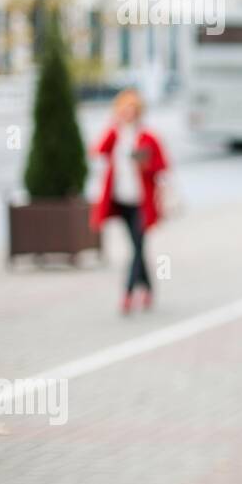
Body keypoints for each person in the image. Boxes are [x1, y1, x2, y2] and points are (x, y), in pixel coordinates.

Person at [89, 88, 169, 314]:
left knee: (137, 247)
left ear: (138, 112)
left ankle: (127, 293)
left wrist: (144, 163)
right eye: (124, 109)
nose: (127, 114)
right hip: (121, 199)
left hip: (142, 202)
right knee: (136, 246)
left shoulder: (147, 137)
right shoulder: (115, 135)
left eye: (132, 110)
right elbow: (96, 152)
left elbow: (161, 167)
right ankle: (149, 288)